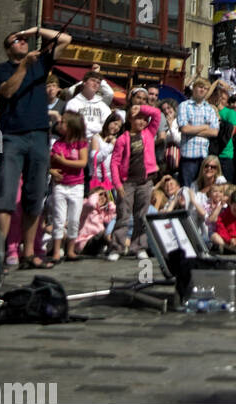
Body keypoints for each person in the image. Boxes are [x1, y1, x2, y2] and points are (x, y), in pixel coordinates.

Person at [0, 25, 73, 274]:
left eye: (23, 40)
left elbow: (66, 39)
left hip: (40, 135)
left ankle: (29, 252)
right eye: (16, 40)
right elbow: (7, 91)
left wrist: (36, 30)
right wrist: (24, 66)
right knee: (5, 197)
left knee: (34, 197)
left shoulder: (41, 64)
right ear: (8, 49)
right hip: (11, 136)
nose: (21, 42)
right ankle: (0, 255)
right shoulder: (2, 69)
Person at [109, 102, 162, 260]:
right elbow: (114, 163)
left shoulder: (149, 133)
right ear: (130, 120)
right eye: (138, 118)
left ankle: (138, 246)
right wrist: (117, 184)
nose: (141, 122)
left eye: (144, 119)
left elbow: (157, 114)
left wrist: (141, 108)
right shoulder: (122, 139)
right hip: (127, 182)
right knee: (123, 215)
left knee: (142, 216)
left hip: (145, 181)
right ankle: (116, 247)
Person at [48, 111, 89, 263]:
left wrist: (64, 161)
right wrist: (52, 171)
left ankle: (70, 249)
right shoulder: (58, 144)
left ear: (72, 126)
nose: (60, 124)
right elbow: (51, 163)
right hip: (60, 186)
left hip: (76, 186)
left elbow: (83, 163)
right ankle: (57, 251)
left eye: (63, 122)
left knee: (73, 219)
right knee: (58, 219)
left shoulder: (81, 143)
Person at [176, 78, 219, 188]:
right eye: (200, 87)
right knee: (186, 190)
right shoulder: (184, 106)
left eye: (205, 89)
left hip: (204, 157)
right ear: (194, 88)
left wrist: (192, 130)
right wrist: (205, 127)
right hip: (188, 157)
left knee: (201, 190)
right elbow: (184, 129)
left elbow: (214, 132)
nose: (202, 90)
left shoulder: (210, 109)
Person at [63, 67, 114, 142]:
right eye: (93, 80)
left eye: (98, 82)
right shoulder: (73, 103)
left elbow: (107, 126)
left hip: (98, 143)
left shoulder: (103, 106)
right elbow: (73, 125)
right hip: (78, 141)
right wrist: (96, 129)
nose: (95, 84)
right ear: (84, 82)